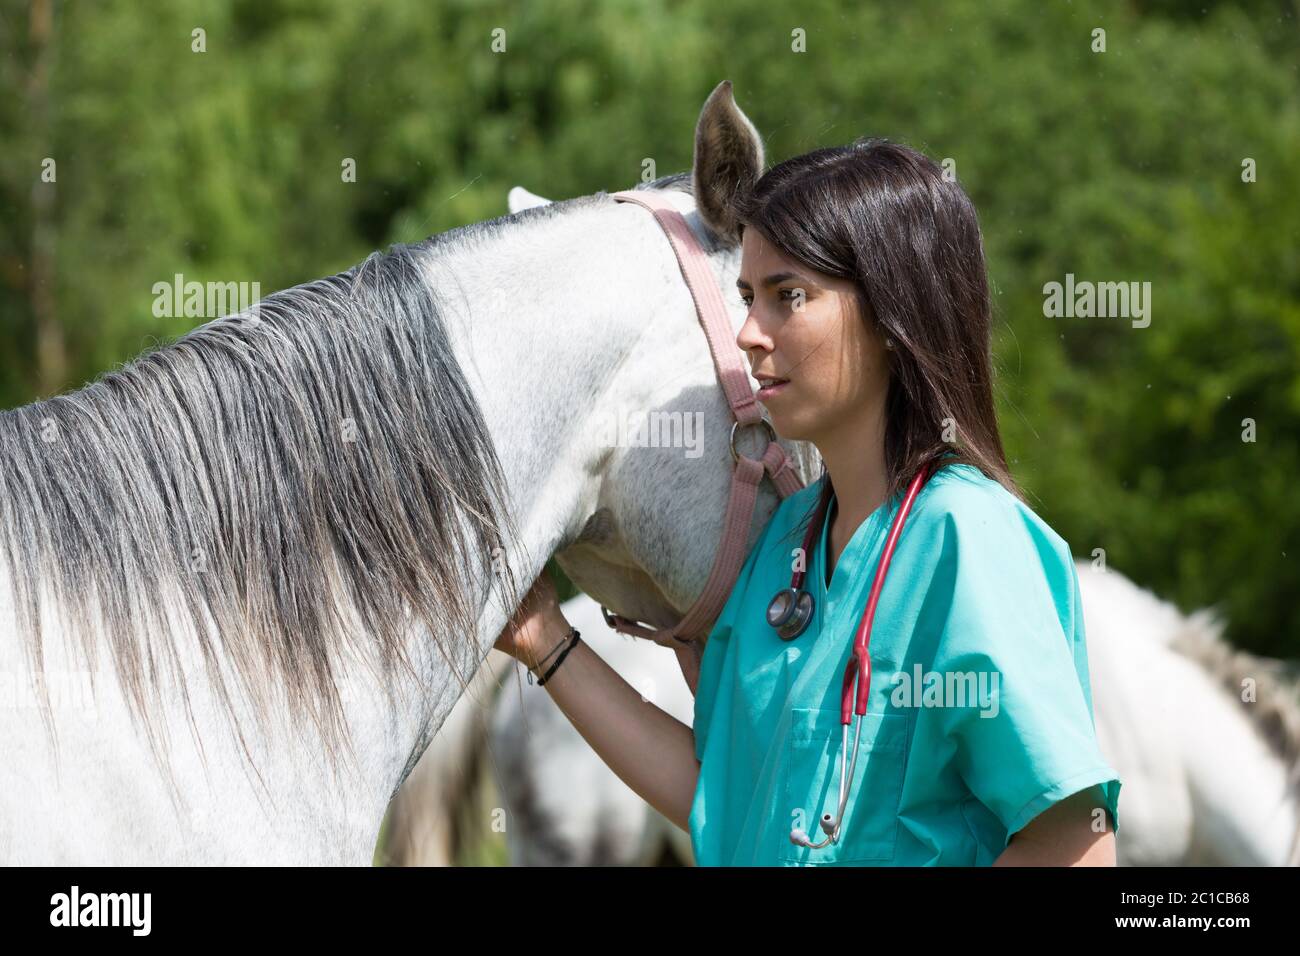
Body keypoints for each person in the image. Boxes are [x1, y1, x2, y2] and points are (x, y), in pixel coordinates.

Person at [495, 138, 1120, 866]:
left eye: (788, 296)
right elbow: (720, 795)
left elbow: (1074, 843)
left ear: (895, 315)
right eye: (747, 298)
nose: (748, 335)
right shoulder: (785, 547)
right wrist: (542, 637)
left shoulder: (969, 538)